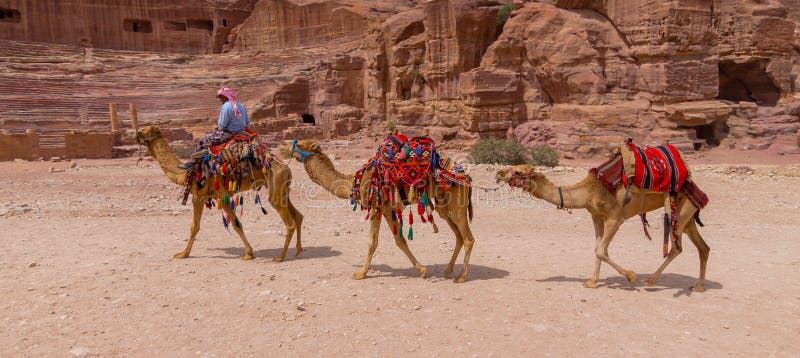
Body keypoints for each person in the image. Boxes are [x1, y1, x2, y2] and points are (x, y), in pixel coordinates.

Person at [178, 86, 250, 169]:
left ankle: (193, 163)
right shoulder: (241, 106)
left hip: (229, 134)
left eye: (220, 97)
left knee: (203, 140)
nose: (220, 100)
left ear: (224, 96)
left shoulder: (226, 106)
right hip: (241, 134)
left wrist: (219, 128)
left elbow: (221, 125)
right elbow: (247, 123)